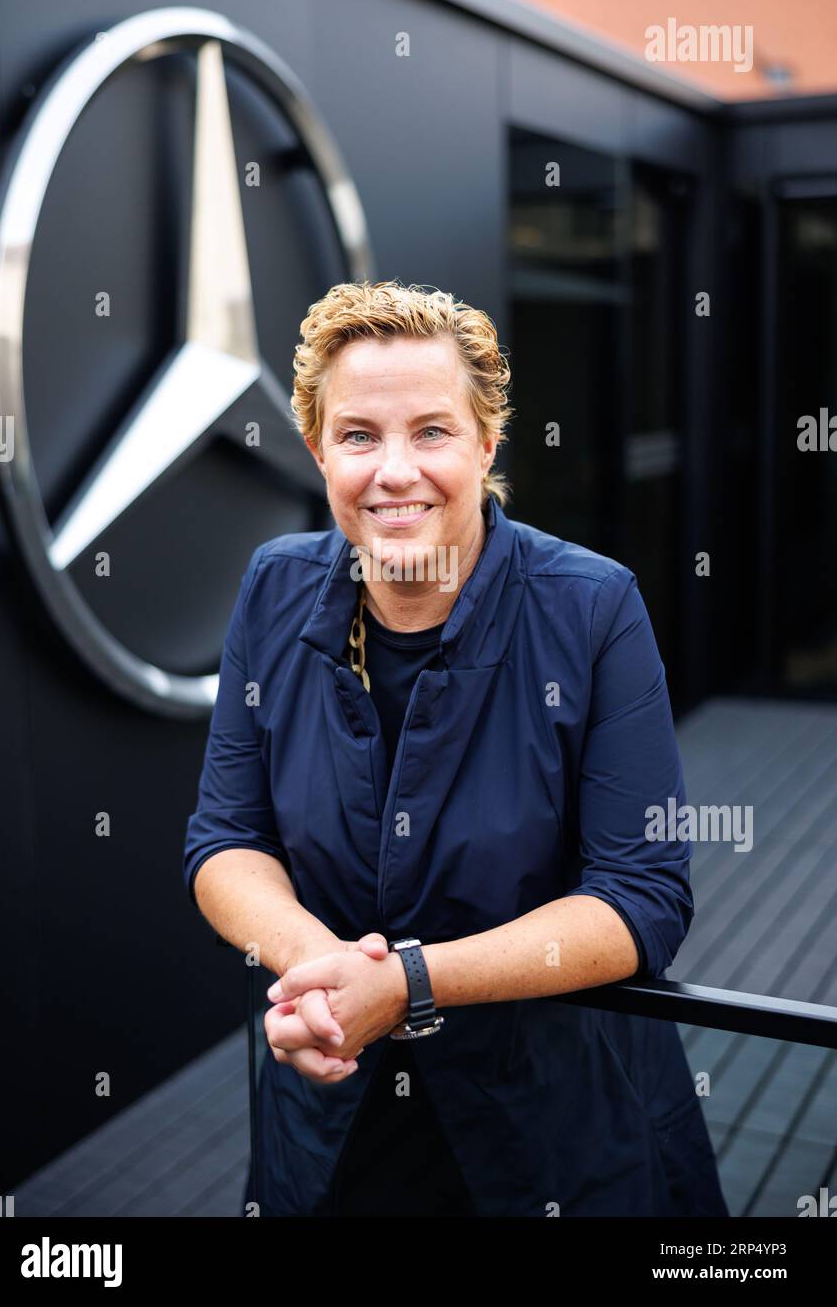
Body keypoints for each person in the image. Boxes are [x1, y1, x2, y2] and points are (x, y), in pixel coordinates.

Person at [184, 279, 730, 1218]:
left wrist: (406, 986)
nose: (395, 471)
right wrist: (326, 975)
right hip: (330, 1123)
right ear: (317, 451)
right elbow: (225, 842)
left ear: (486, 443)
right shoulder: (273, 588)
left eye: (432, 431)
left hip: (551, 1132)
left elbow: (640, 898)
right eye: (359, 435)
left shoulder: (593, 606)